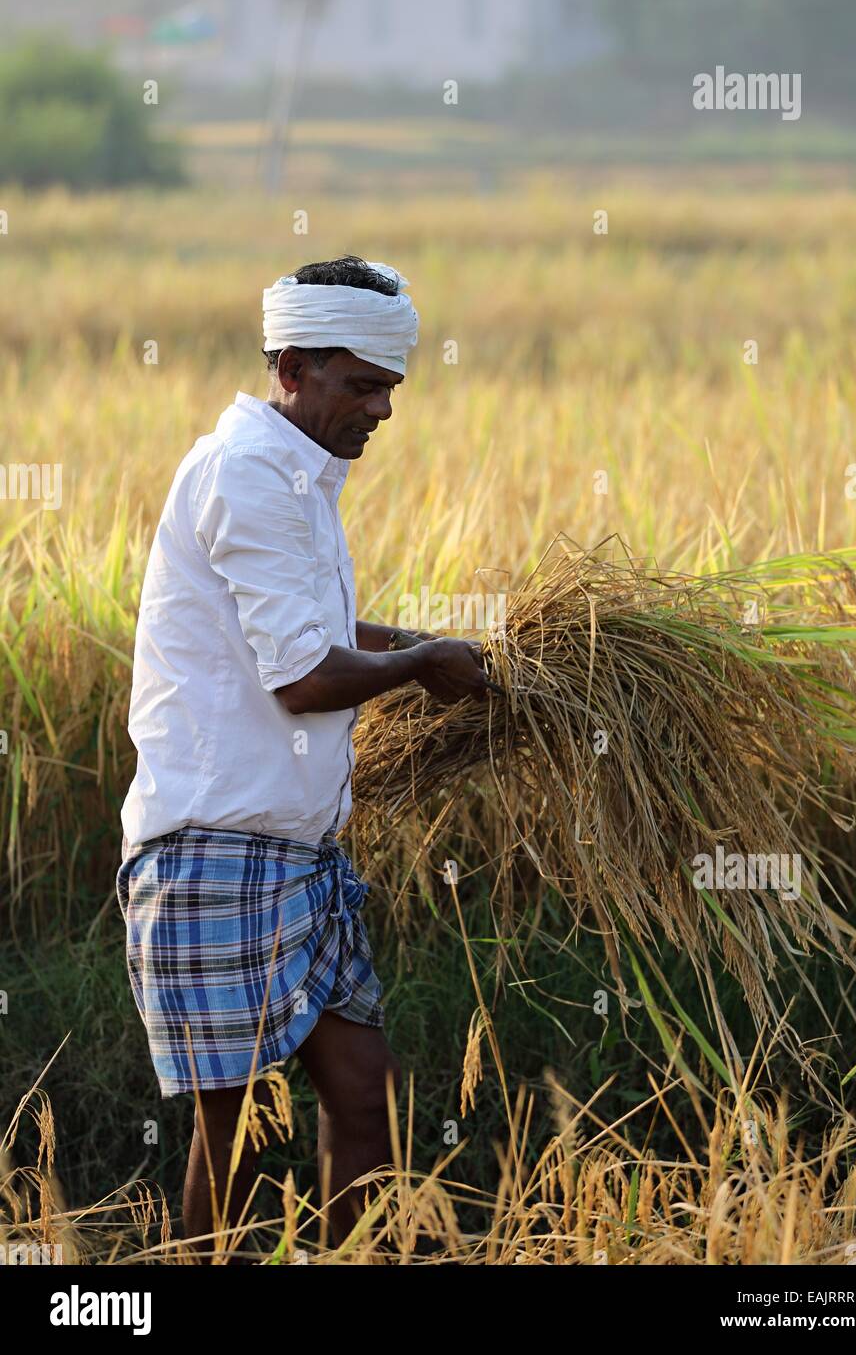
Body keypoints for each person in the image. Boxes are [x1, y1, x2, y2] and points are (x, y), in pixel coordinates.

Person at [116, 255, 490, 1255]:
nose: (379, 408)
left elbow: (314, 629)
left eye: (388, 388)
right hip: (212, 846)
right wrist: (420, 664)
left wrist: (423, 645)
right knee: (230, 1131)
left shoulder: (295, 473)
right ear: (292, 365)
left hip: (301, 853)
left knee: (364, 1098)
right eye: (359, 385)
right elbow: (297, 680)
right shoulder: (246, 474)